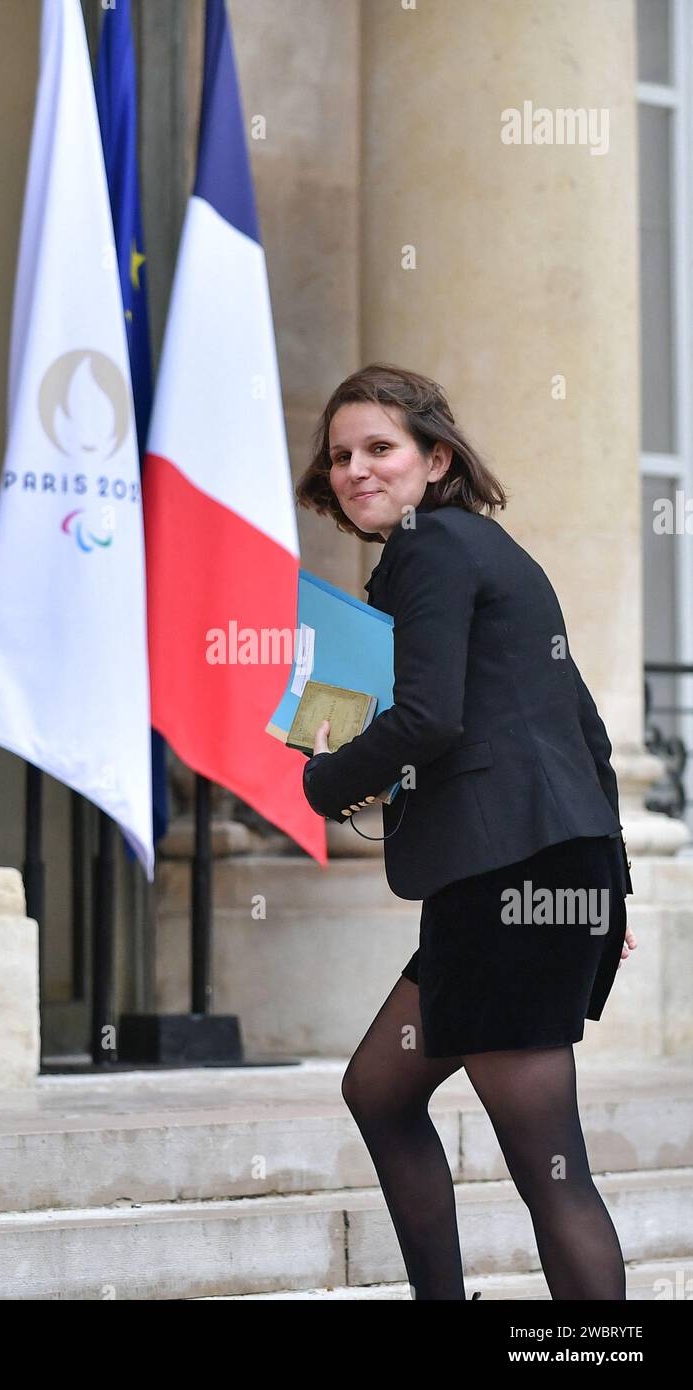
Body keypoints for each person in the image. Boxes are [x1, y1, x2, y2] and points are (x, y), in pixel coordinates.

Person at [295, 363, 637, 1301]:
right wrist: (606, 886)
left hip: (509, 882)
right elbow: (587, 731)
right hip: (533, 873)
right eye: (341, 456)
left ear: (436, 456)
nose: (357, 469)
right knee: (381, 1090)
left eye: (381, 448)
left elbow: (426, 721)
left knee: (549, 1166)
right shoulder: (483, 551)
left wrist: (326, 779)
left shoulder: (433, 551)